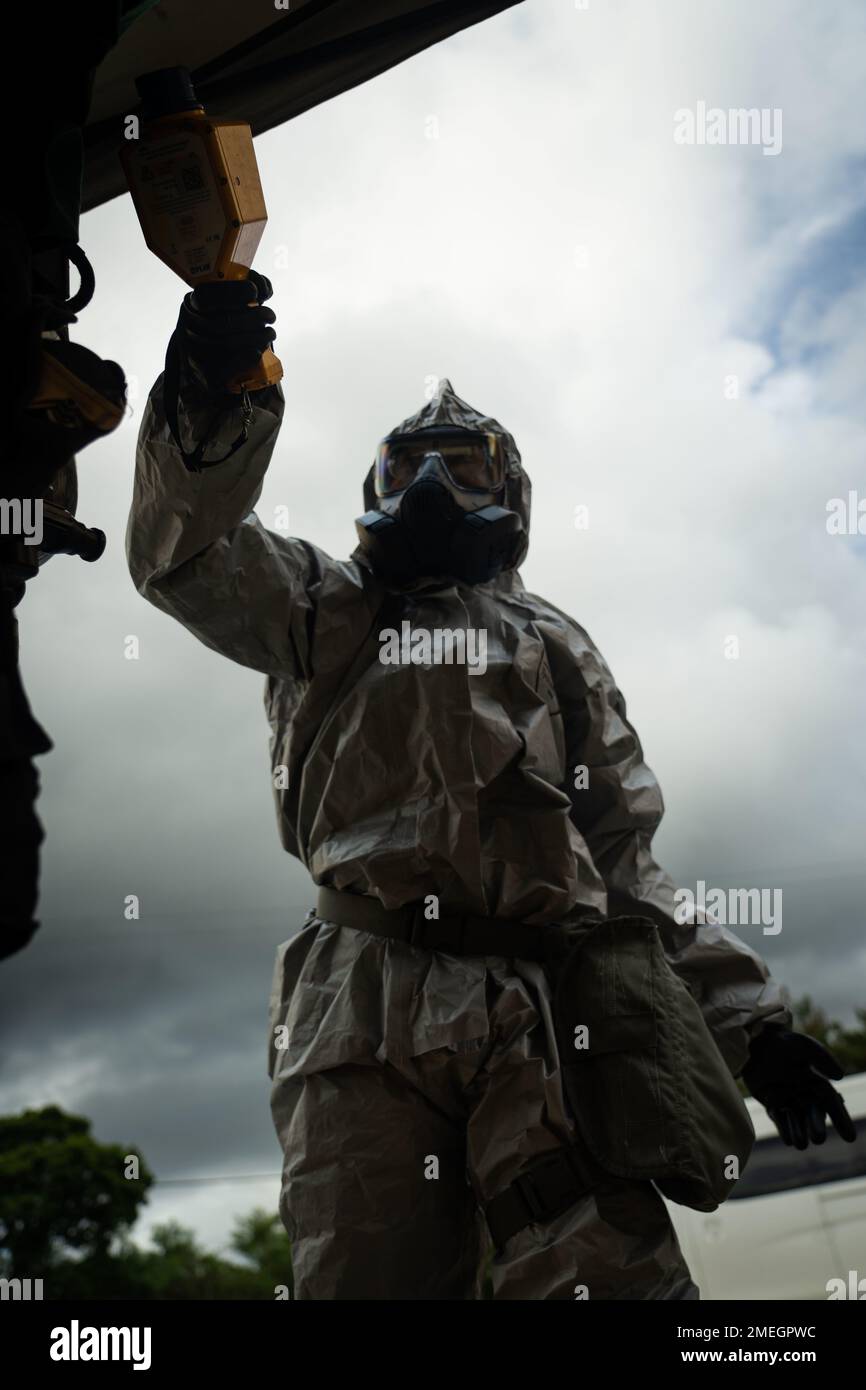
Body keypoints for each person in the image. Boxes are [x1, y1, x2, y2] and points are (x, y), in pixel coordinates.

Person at [127, 276, 855, 1300]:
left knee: (597, 1266)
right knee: (363, 1273)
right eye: (409, 464)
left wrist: (754, 1026)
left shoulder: (552, 642)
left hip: (546, 1005)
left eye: (461, 466)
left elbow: (622, 865)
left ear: (507, 495)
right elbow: (182, 555)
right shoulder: (316, 606)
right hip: (359, 996)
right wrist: (209, 402)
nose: (430, 483)